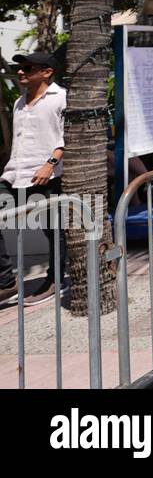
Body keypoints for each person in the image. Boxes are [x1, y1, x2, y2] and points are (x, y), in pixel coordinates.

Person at [0, 52, 67, 306]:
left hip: (45, 175)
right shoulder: (20, 102)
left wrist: (50, 165)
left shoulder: (60, 98)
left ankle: (55, 281)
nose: (20, 72)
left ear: (47, 72)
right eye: (20, 68)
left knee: (53, 231)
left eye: (27, 68)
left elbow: (67, 137)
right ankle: (6, 281)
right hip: (14, 174)